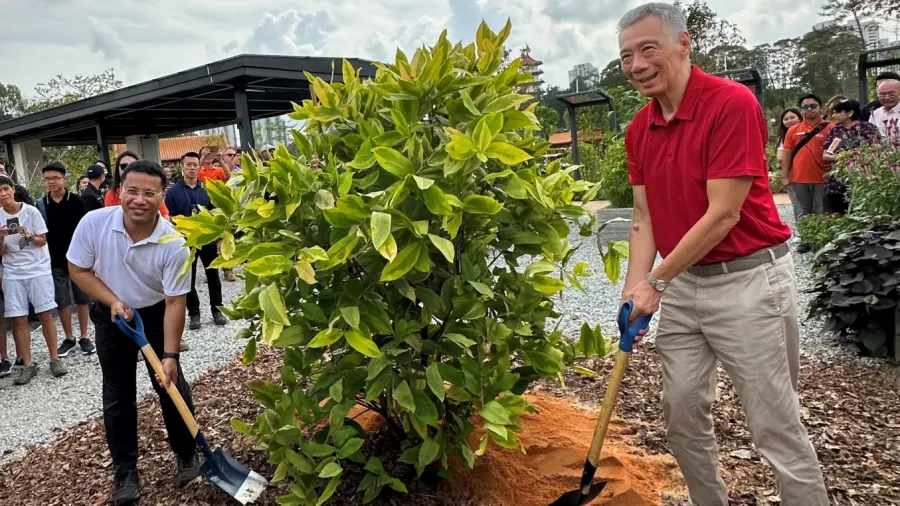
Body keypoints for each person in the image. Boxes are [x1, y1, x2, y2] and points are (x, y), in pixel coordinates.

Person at [617, 4, 828, 506]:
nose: (637, 64)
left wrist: (657, 281)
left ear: (684, 44)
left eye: (649, 48)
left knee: (775, 425)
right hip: (684, 285)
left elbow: (723, 215)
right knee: (682, 417)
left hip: (749, 282)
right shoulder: (637, 129)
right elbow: (644, 219)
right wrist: (633, 286)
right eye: (626, 55)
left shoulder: (729, 103)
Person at [67, 160, 199, 505]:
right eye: (133, 191)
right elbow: (78, 269)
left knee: (170, 384)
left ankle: (187, 454)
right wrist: (112, 301)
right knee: (117, 394)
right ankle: (125, 472)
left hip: (156, 314)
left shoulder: (173, 242)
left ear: (161, 196)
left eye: (149, 193)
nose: (139, 199)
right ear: (119, 192)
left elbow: (175, 303)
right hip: (112, 315)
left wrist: (169, 355)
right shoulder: (94, 223)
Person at [0, 174, 68, 385]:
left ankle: (55, 358)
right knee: (18, 318)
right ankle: (27, 364)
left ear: (13, 189)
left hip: (37, 268)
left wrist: (27, 235)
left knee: (45, 314)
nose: (3, 194)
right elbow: (1, 253)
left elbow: (41, 241)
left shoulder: (31, 211)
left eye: (5, 189)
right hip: (12, 271)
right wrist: (1, 236)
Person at [165, 152, 226, 330]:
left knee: (213, 277)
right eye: (188, 165)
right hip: (186, 241)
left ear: (199, 166)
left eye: (195, 165)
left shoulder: (207, 189)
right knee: (188, 279)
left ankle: (217, 310)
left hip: (207, 239)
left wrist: (220, 238)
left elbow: (216, 214)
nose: (192, 168)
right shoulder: (173, 192)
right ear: (182, 167)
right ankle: (194, 313)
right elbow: (170, 218)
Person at [39, 162, 95, 356]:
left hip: (78, 258)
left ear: (64, 178)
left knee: (82, 298)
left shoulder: (77, 201)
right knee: (62, 301)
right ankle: (69, 337)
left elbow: (87, 229)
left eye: (55, 178)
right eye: (48, 179)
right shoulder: (41, 204)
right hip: (54, 260)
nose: (52, 182)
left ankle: (84, 336)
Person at [781, 94, 833, 252]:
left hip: (823, 177)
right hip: (799, 178)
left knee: (821, 209)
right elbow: (787, 153)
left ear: (821, 107)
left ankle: (821, 241)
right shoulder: (793, 130)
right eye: (805, 107)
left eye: (813, 106)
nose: (809, 109)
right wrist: (785, 176)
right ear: (800, 110)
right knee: (803, 210)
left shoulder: (830, 128)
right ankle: (806, 239)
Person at [822, 99, 880, 215]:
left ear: (850, 113)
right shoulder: (835, 131)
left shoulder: (868, 128)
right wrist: (843, 157)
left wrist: (859, 154)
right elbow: (826, 155)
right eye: (833, 112)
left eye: (838, 112)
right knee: (838, 212)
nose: (834, 116)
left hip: (862, 178)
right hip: (838, 181)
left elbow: (877, 148)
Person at [105, 152, 171, 218]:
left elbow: (164, 215)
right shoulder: (111, 195)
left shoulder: (155, 193)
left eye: (148, 193)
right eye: (124, 166)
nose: (139, 201)